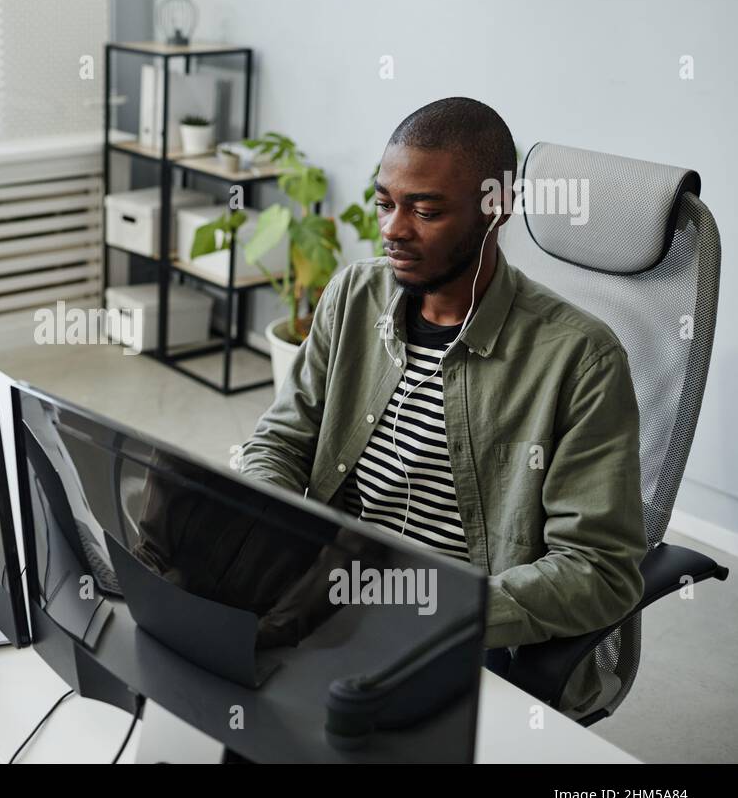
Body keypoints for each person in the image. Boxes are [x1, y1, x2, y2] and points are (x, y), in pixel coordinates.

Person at [238, 97, 646, 716]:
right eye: (385, 202)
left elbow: (599, 570)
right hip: (325, 593)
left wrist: (430, 608)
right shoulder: (354, 294)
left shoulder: (581, 359)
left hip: (456, 629)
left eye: (425, 210)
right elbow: (280, 442)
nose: (393, 229)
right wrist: (281, 542)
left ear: (496, 209)